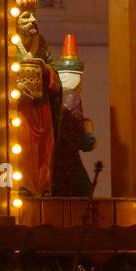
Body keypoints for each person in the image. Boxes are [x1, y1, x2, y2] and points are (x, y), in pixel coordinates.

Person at [14, 0, 61, 196]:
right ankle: (25, 185)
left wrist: (46, 69)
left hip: (41, 106)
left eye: (34, 15)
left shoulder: (39, 43)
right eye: (26, 16)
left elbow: (54, 74)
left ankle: (43, 185)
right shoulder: (8, 45)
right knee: (23, 146)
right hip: (21, 108)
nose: (33, 20)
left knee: (44, 145)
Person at [52, 34, 97, 197]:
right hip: (68, 155)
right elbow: (76, 129)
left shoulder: (59, 98)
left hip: (58, 153)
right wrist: (86, 138)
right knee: (81, 188)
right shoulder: (72, 99)